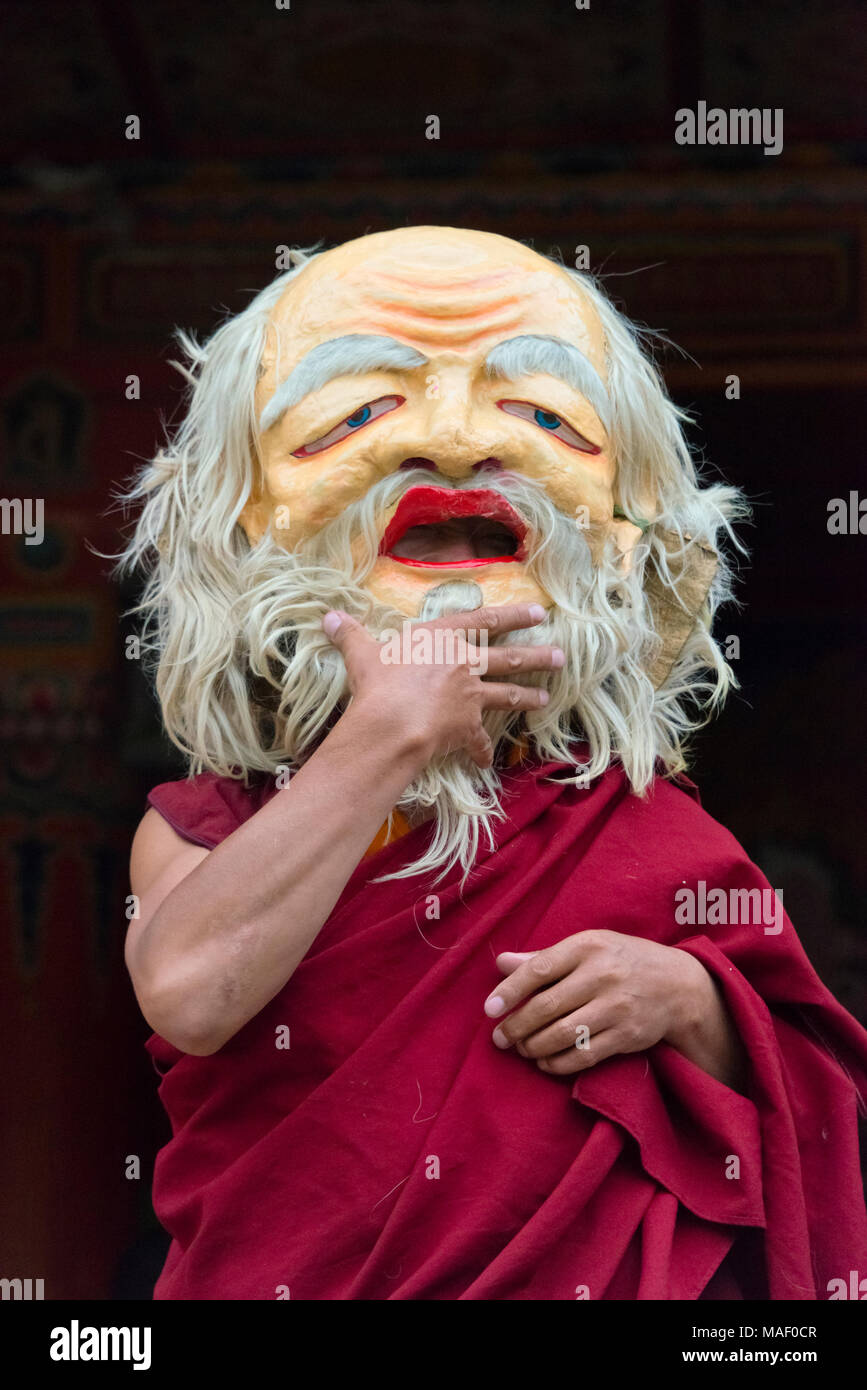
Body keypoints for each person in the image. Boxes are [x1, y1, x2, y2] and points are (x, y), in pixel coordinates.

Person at [121, 226, 867, 1300]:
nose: (460, 444)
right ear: (248, 521)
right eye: (362, 410)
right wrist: (386, 736)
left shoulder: (647, 829)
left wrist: (692, 1001)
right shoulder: (212, 820)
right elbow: (191, 993)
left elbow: (822, 1104)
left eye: (541, 416)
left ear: (622, 526)